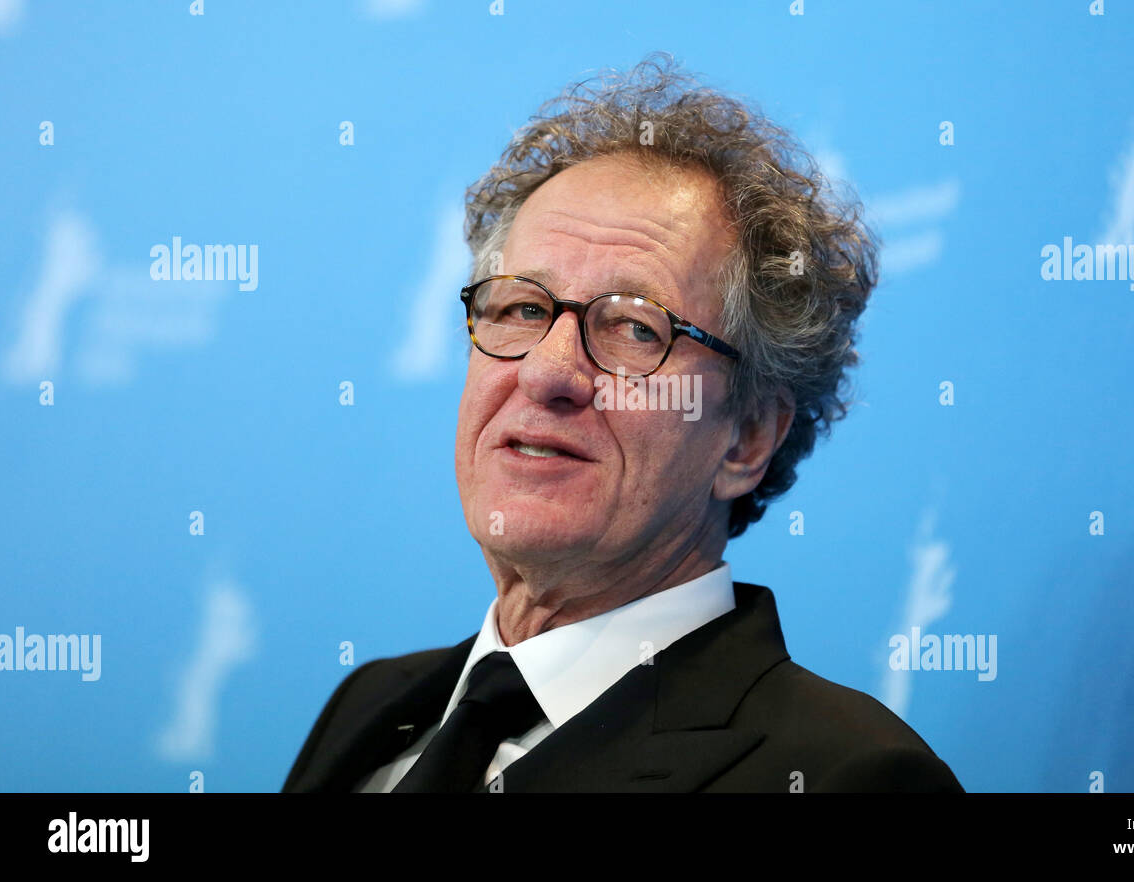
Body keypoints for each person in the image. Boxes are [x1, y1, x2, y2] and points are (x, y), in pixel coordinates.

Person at [283, 53, 962, 793]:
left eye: (637, 330)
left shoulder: (849, 777)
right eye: (522, 309)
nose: (545, 373)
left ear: (747, 438)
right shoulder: (369, 711)